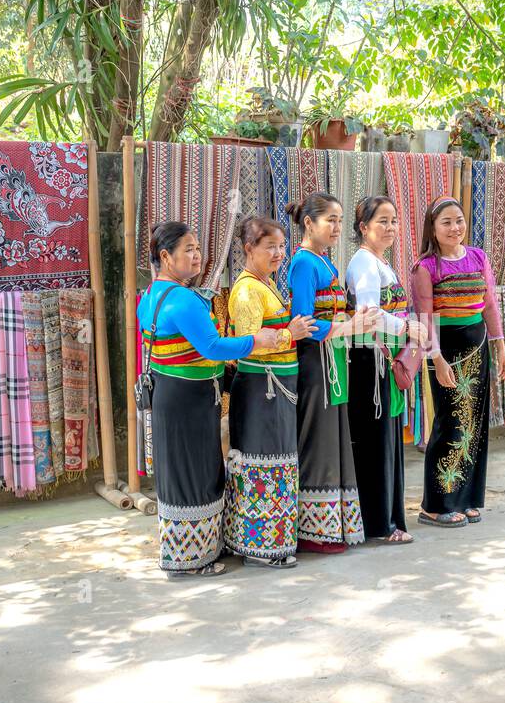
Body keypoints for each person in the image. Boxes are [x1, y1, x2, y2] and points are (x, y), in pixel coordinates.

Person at [137, 221, 283, 578]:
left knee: (180, 470)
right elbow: (213, 348)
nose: (197, 255)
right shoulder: (184, 300)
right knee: (195, 470)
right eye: (187, 249)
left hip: (171, 396)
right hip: (188, 399)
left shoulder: (150, 297)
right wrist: (257, 341)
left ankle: (185, 552)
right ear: (165, 256)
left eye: (197, 247)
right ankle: (192, 560)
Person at [287, 192, 380, 553]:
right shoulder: (304, 264)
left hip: (334, 358)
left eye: (340, 220)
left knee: (335, 436)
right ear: (309, 223)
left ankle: (333, 526)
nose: (338, 227)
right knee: (318, 439)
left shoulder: (324, 262)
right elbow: (305, 323)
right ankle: (314, 532)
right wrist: (349, 328)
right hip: (315, 361)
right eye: (331, 220)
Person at [410, 196, 505, 528]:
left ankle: (466, 498)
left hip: (477, 346)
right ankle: (435, 505)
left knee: (475, 425)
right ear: (433, 229)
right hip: (445, 350)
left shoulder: (479, 257)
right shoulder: (425, 268)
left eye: (459, 220)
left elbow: (490, 306)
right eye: (446, 223)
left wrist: (501, 349)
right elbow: (425, 319)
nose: (455, 228)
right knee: (450, 423)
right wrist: (436, 359)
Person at [224, 216, 317, 568]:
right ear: (249, 249)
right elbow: (247, 345)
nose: (279, 253)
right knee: (261, 465)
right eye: (270, 247)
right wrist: (289, 334)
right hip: (261, 388)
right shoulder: (247, 290)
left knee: (275, 464)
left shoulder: (266, 284)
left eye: (282, 246)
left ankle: (268, 542)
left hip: (275, 388)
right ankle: (261, 548)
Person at [345, 195, 429, 545]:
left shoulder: (379, 262)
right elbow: (369, 312)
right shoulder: (364, 263)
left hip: (382, 361)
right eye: (382, 221)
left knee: (386, 439)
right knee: (375, 441)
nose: (390, 227)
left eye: (394, 220)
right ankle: (379, 523)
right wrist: (408, 329)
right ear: (363, 227)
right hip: (370, 362)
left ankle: (389, 518)